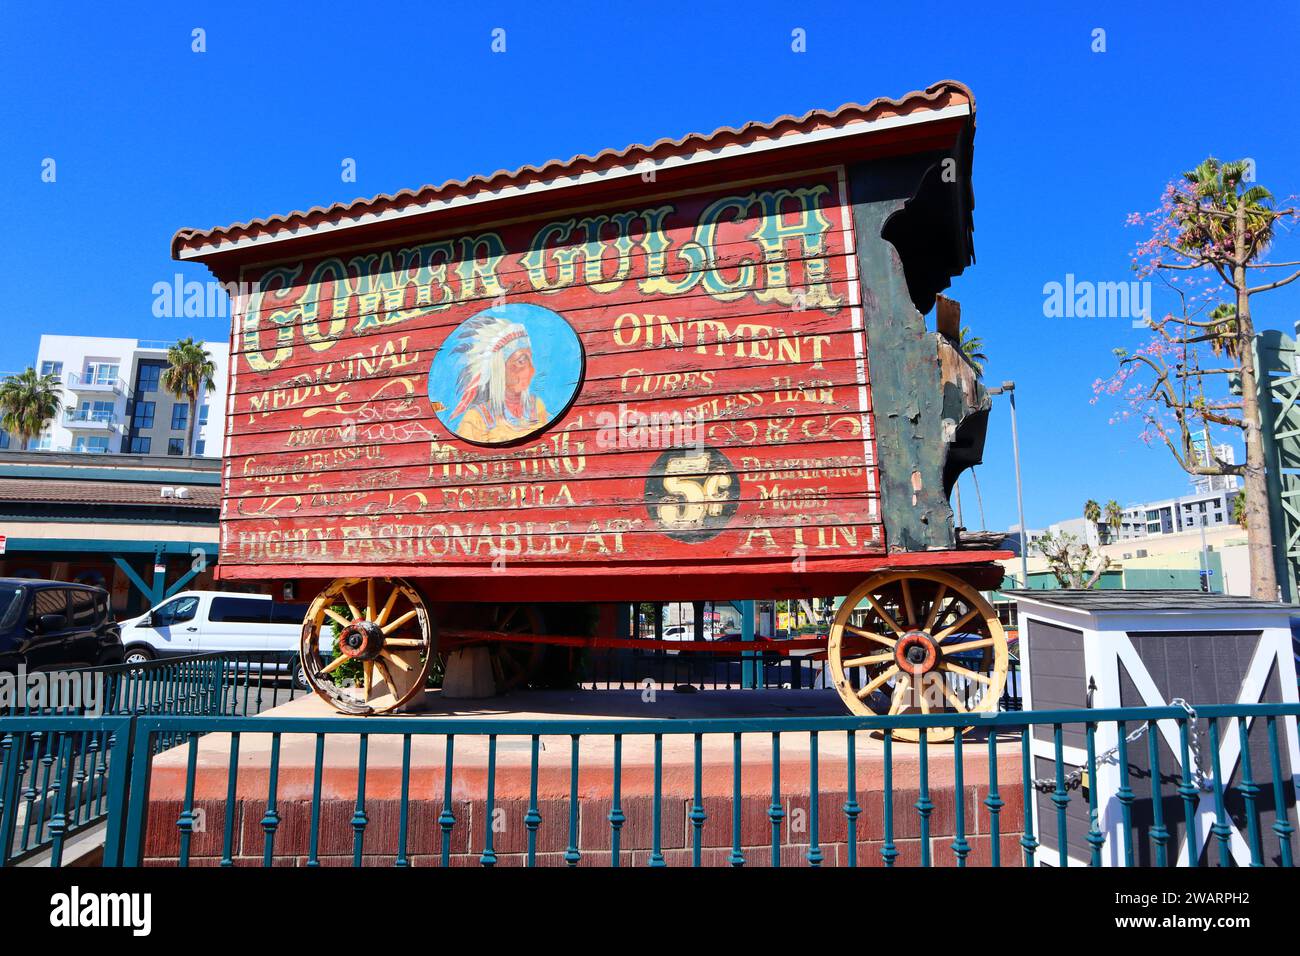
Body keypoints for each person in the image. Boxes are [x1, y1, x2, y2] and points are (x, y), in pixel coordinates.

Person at [447, 314, 549, 443]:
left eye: (530, 359)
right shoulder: (475, 419)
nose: (532, 370)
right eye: (521, 361)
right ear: (499, 369)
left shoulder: (536, 407)